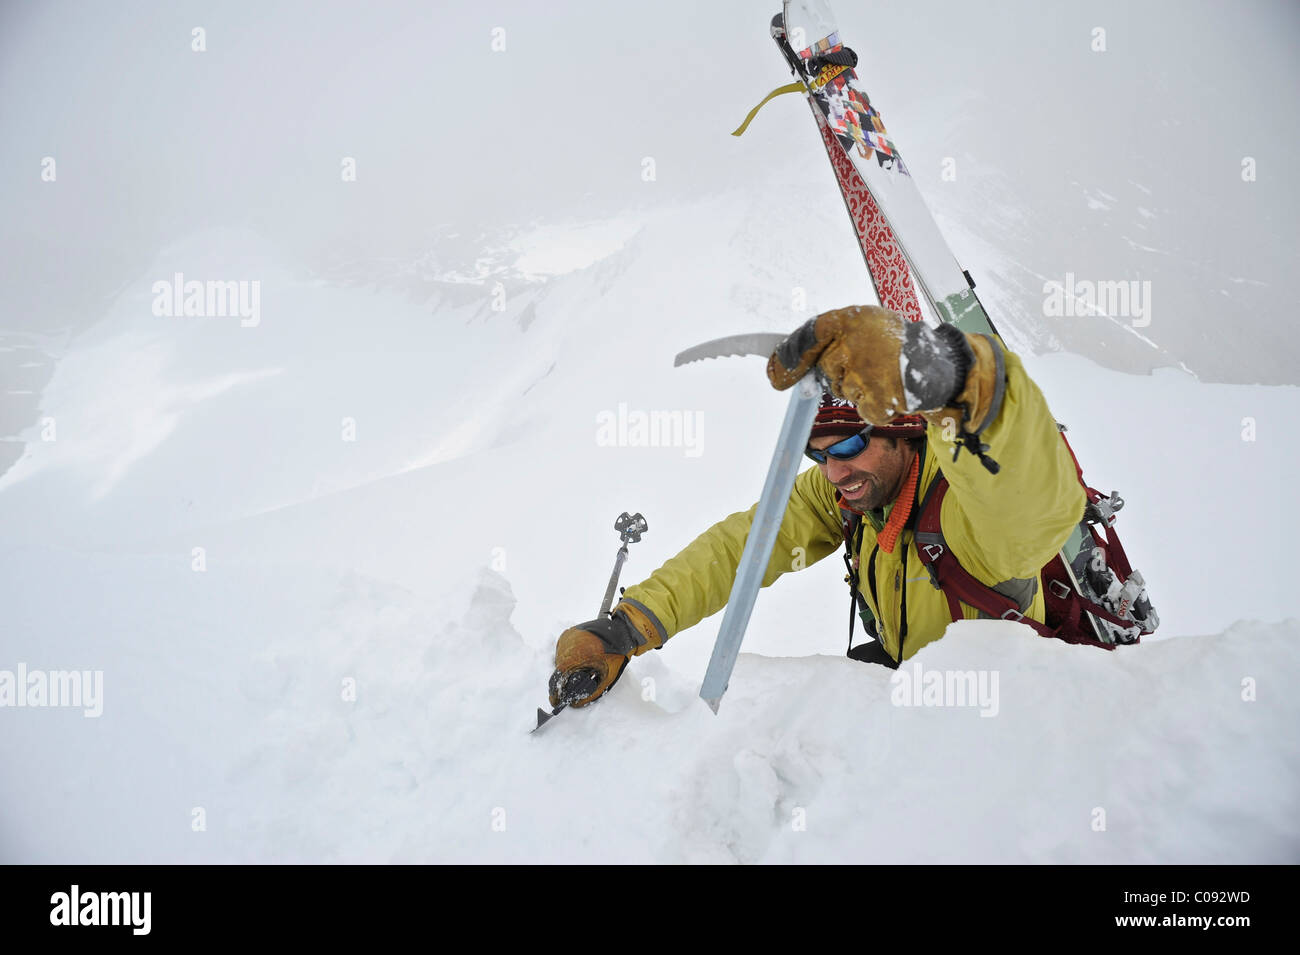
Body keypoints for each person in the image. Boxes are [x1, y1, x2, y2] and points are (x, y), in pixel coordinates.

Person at [549, 304, 1085, 707]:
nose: (835, 471)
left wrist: (953, 377)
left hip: (988, 731)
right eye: (818, 453)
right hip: (908, 707)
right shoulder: (849, 492)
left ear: (904, 434)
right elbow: (743, 546)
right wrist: (630, 627)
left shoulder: (974, 510)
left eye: (851, 447)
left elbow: (1033, 493)